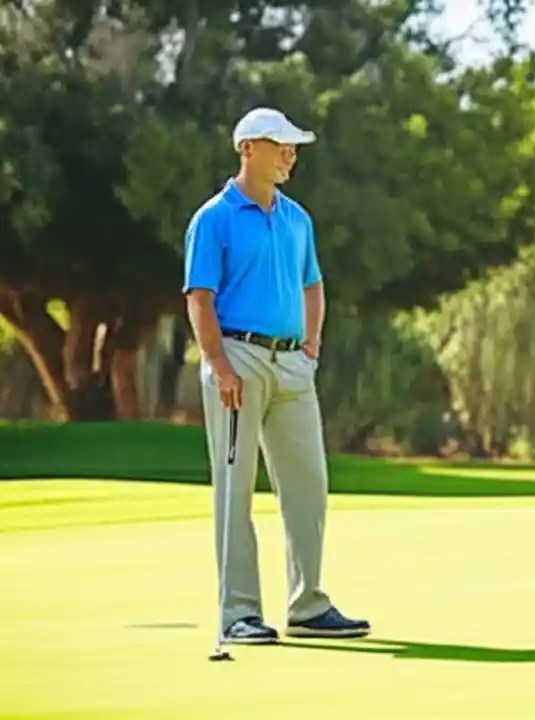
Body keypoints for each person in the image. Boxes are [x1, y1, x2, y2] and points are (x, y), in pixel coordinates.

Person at [183, 107, 370, 642]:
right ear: (247, 149)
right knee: (234, 491)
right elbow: (200, 298)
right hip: (236, 360)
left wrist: (311, 345)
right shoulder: (214, 218)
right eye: (280, 145)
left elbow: (313, 285)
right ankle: (239, 613)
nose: (290, 155)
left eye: (293, 147)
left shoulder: (296, 218)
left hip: (292, 365)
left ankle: (308, 604)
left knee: (308, 484)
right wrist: (218, 365)